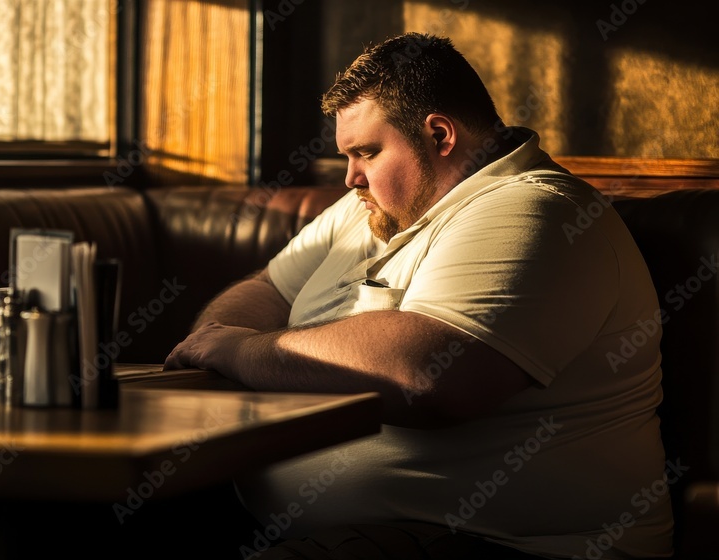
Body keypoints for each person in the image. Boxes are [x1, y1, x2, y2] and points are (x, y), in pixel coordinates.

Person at [164, 33, 673, 559]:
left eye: (366, 152)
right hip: (300, 520)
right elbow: (264, 288)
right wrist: (221, 339)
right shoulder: (370, 207)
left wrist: (240, 351)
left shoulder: (536, 210)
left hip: (500, 544)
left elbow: (427, 375)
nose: (349, 177)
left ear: (440, 135)